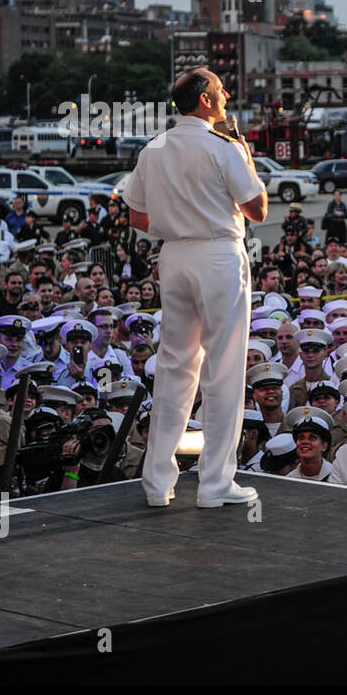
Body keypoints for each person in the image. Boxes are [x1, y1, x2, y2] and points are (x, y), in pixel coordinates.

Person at [123, 68, 266, 509]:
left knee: (174, 366)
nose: (226, 95)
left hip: (174, 256)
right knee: (223, 369)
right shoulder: (222, 144)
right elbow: (257, 209)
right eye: (221, 90)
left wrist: (176, 219)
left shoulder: (154, 148)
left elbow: (137, 217)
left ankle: (157, 482)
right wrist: (243, 150)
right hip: (218, 254)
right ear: (205, 100)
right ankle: (215, 483)